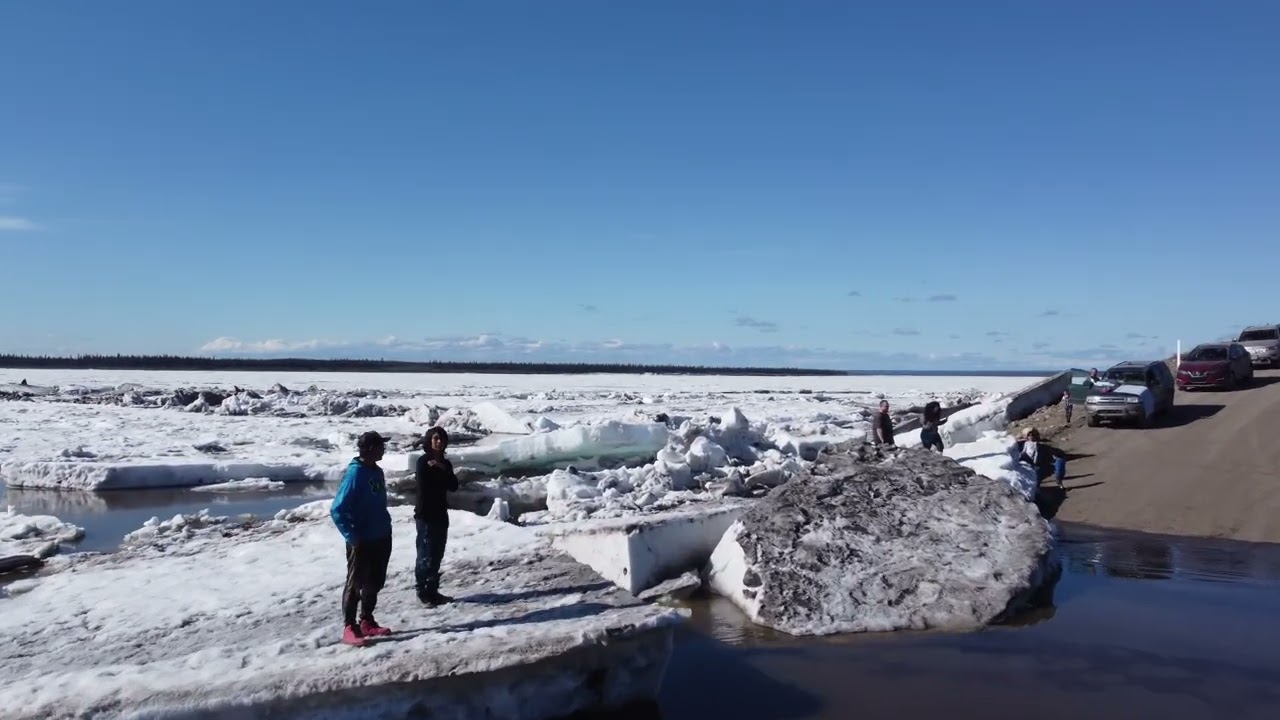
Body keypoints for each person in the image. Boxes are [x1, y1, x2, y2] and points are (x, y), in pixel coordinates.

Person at [330, 431, 395, 647]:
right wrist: (352, 536)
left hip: (381, 536)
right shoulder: (355, 474)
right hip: (362, 540)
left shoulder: (376, 471)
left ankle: (366, 620)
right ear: (368, 449)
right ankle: (350, 626)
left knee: (375, 582)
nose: (383, 450)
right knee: (356, 583)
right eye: (380, 446)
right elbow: (338, 509)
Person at [415, 426, 459, 607]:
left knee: (437, 553)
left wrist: (442, 468)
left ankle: (433, 590)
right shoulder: (423, 461)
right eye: (435, 438)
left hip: (441, 513)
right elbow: (424, 485)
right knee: (425, 553)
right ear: (429, 441)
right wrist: (440, 472)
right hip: (426, 514)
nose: (439, 441)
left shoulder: (446, 464)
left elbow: (454, 485)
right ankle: (422, 592)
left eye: (441, 438)